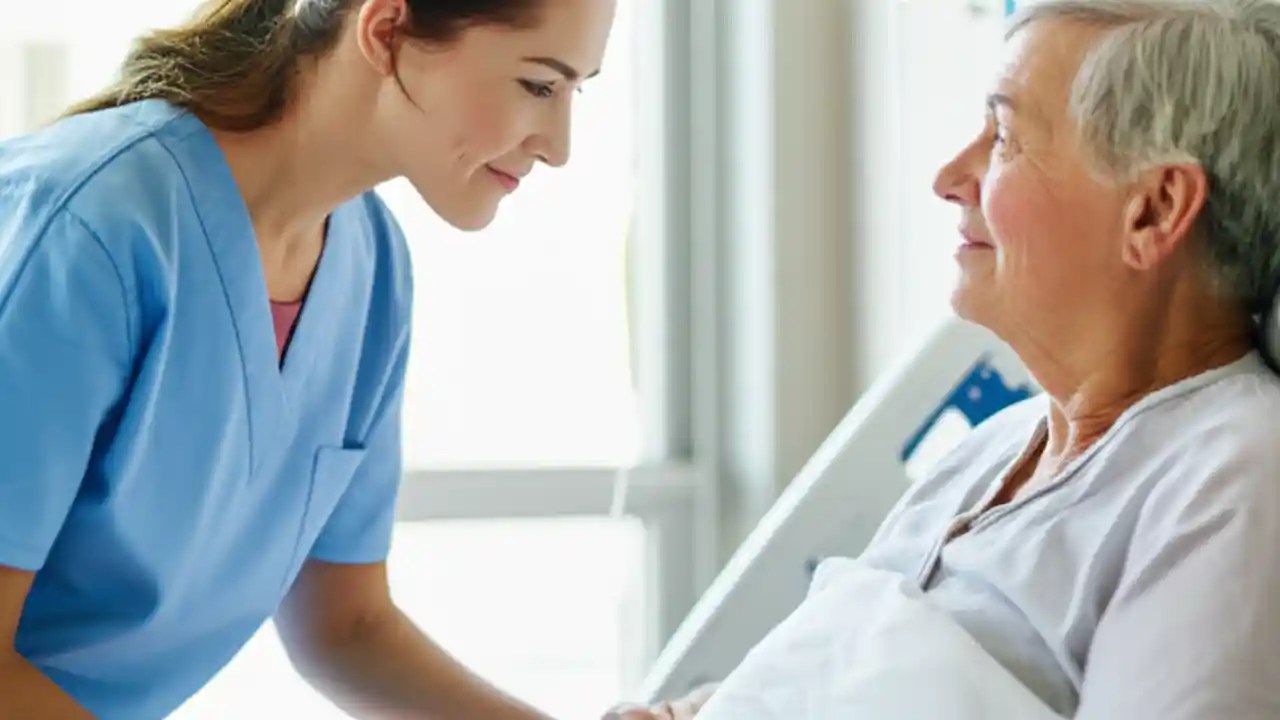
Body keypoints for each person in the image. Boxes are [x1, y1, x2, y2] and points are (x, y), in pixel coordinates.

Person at [612, 0, 1280, 717]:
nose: (949, 176)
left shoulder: (1233, 479)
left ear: (1153, 210)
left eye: (1003, 138)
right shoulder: (992, 451)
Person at [0, 0, 615, 717]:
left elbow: (347, 628)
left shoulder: (372, 267)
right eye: (539, 85)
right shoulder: (90, 228)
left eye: (579, 92)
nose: (559, 145)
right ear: (386, 31)